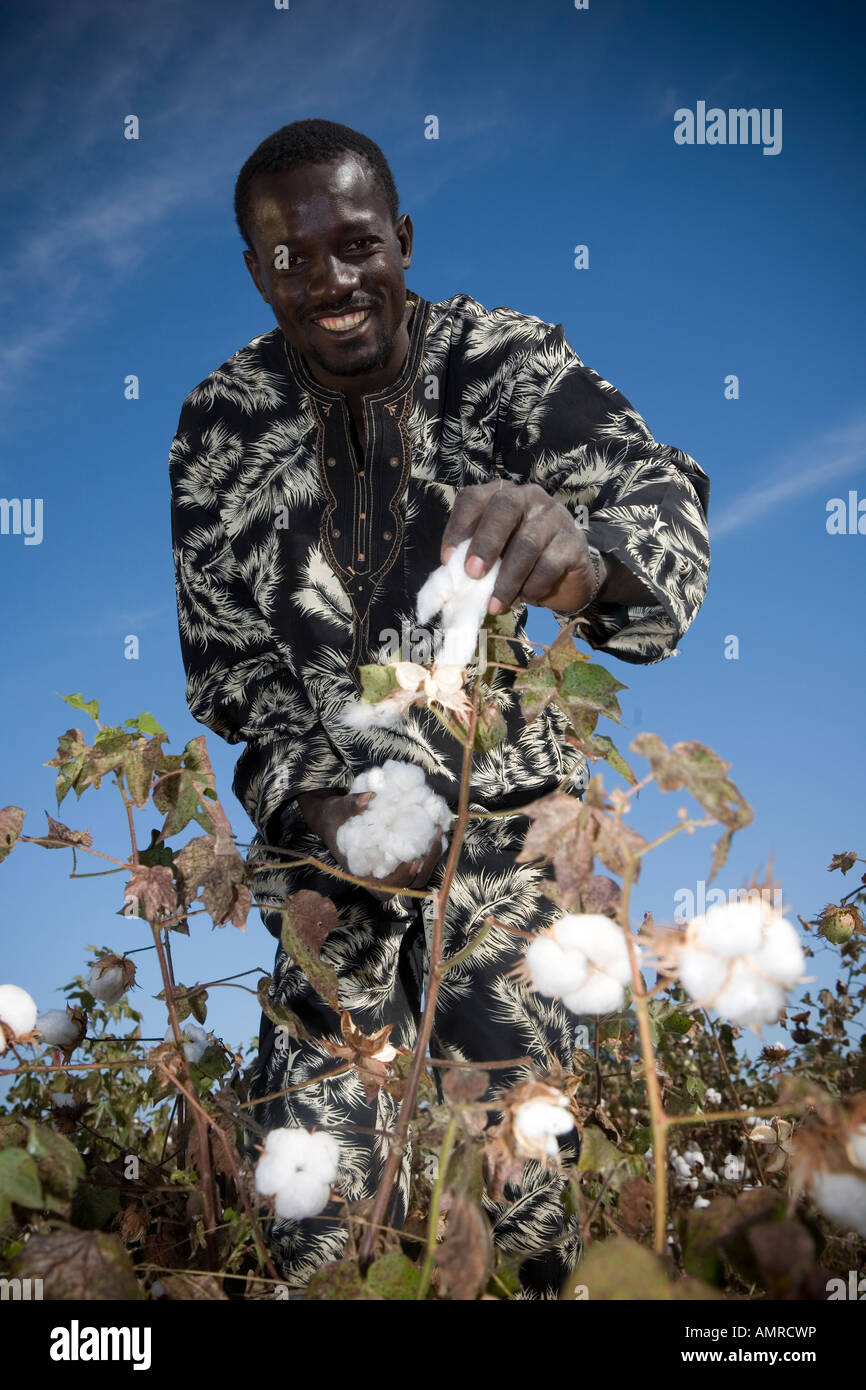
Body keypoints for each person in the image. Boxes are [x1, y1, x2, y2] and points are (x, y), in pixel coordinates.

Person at [168, 118, 710, 1298]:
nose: (329, 281)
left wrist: (585, 562)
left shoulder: (504, 360)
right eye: (289, 257)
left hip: (508, 829)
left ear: (402, 238)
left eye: (355, 244)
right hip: (326, 861)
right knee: (311, 1212)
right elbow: (227, 673)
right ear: (256, 270)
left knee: (528, 1181)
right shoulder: (216, 424)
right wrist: (330, 809)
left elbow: (661, 513)